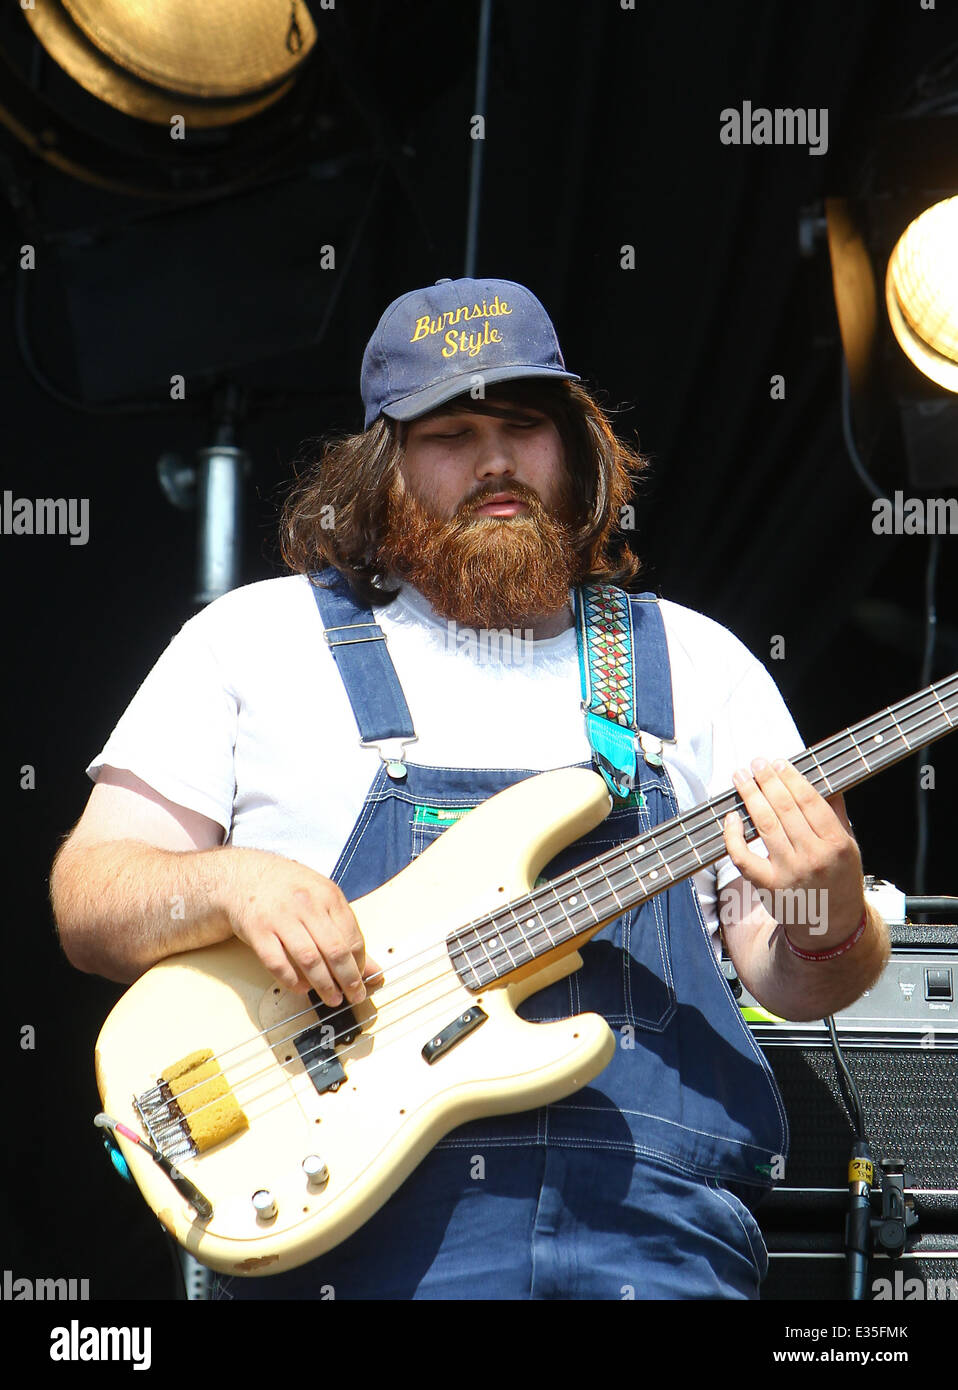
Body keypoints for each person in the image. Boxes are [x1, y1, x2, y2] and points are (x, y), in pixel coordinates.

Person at [51, 276, 889, 1300]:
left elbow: (794, 976)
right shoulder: (255, 641)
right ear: (381, 467)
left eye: (524, 425)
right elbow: (91, 898)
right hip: (345, 1239)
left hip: (652, 1241)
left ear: (574, 450)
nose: (495, 460)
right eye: (450, 431)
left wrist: (829, 908)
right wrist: (232, 884)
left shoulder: (700, 664)